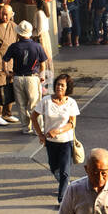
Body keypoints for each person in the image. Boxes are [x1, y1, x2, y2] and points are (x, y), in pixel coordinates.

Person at [32, 73, 79, 205]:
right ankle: (67, 186)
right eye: (58, 84)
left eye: (62, 85)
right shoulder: (46, 101)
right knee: (54, 168)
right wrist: (40, 134)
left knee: (65, 171)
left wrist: (58, 131)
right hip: (50, 143)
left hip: (66, 142)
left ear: (67, 88)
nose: (59, 87)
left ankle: (62, 200)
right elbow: (33, 117)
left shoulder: (71, 103)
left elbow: (72, 124)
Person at [3, 19, 48, 134]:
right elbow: (43, 64)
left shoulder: (14, 46)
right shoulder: (37, 46)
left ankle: (25, 128)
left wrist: (7, 72)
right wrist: (42, 75)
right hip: (32, 78)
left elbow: (5, 60)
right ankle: (38, 128)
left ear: (19, 33)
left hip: (18, 78)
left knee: (21, 104)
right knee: (35, 104)